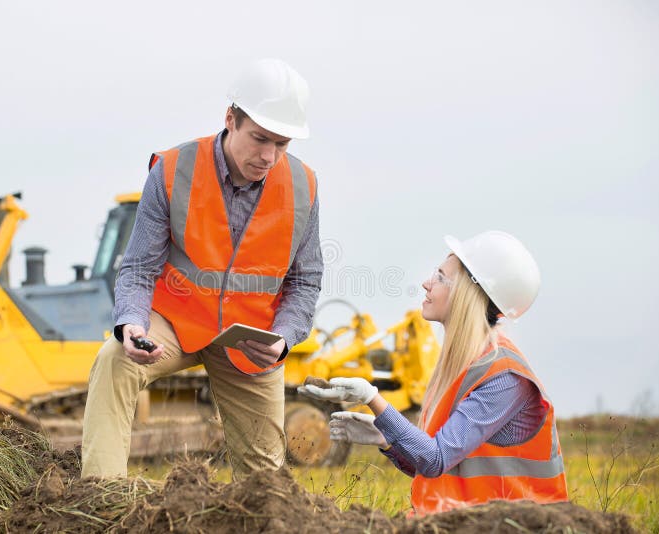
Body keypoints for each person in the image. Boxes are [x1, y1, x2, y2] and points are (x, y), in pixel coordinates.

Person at [81, 58, 322, 479]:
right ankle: (103, 500)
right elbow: (138, 266)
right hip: (177, 322)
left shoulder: (304, 187)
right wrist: (132, 325)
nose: (269, 156)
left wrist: (284, 339)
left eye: (281, 144)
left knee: (266, 482)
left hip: (251, 342)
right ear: (230, 119)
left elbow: (305, 280)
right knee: (115, 358)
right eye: (260, 139)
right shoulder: (173, 170)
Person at [299, 231, 568, 515]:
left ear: (468, 293)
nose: (427, 283)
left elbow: (435, 459)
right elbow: (434, 463)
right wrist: (385, 438)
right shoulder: (466, 364)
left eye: (440, 277)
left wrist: (372, 398)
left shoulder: (504, 378)